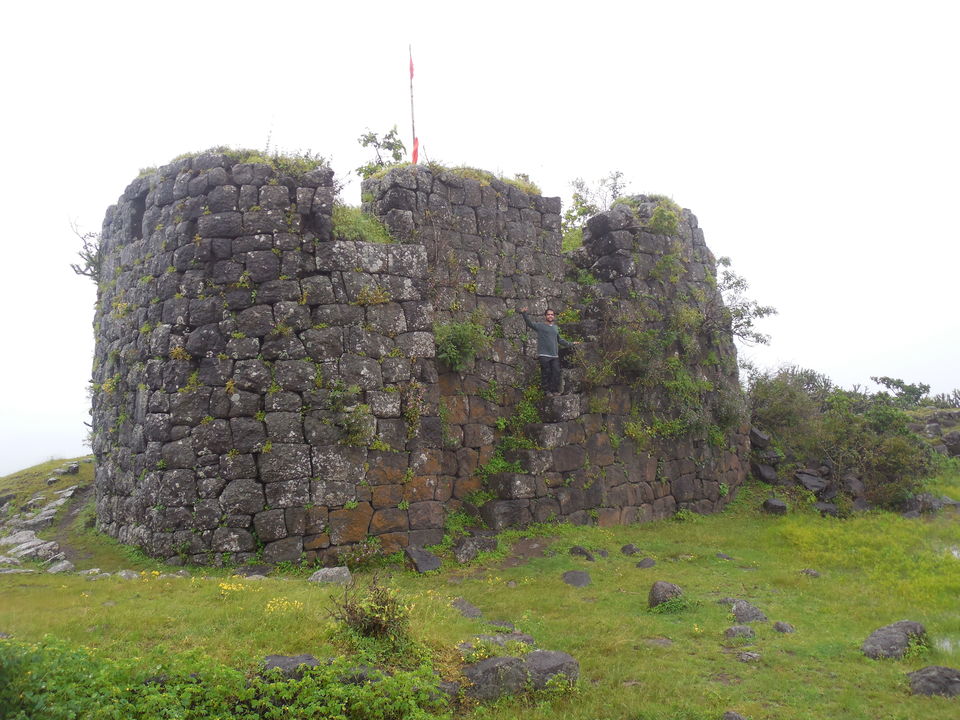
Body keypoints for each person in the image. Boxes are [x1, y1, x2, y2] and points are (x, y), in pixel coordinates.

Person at [520, 307, 578, 396]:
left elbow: (560, 340)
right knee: (546, 373)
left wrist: (571, 343)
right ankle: (546, 391)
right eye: (548, 314)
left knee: (556, 372)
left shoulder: (555, 328)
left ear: (553, 316)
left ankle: (554, 390)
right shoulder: (540, 326)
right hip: (544, 355)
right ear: (545, 316)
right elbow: (529, 323)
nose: (550, 316)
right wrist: (524, 313)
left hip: (554, 355)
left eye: (552, 314)